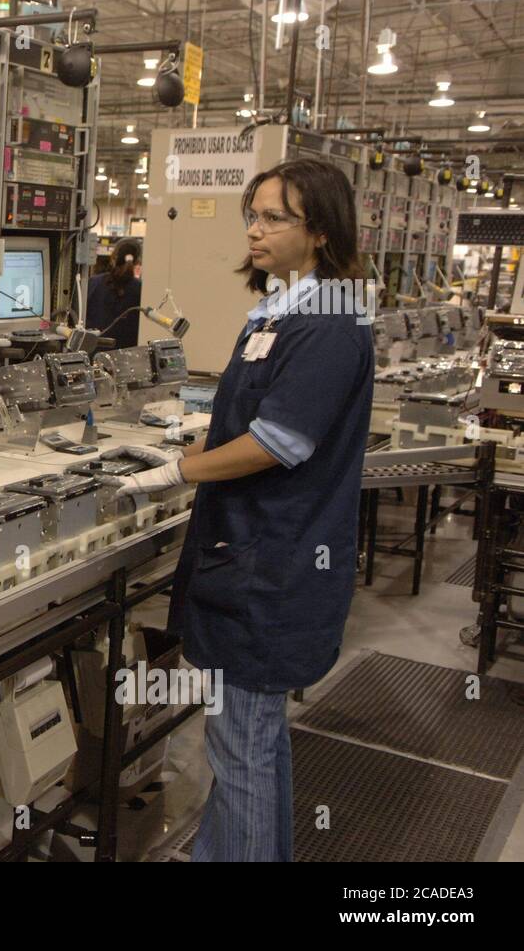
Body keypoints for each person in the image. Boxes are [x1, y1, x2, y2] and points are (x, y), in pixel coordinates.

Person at [107, 159, 374, 862]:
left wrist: (179, 470)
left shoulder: (327, 323)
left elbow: (278, 442)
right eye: (251, 215)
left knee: (242, 751)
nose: (254, 230)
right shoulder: (281, 310)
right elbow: (256, 419)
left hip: (272, 569)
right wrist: (195, 436)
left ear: (319, 230)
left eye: (274, 217)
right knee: (251, 745)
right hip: (253, 556)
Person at [85, 240, 143, 348]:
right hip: (127, 357)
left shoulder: (93, 283)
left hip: (94, 354)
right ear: (137, 262)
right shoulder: (140, 289)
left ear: (113, 258)